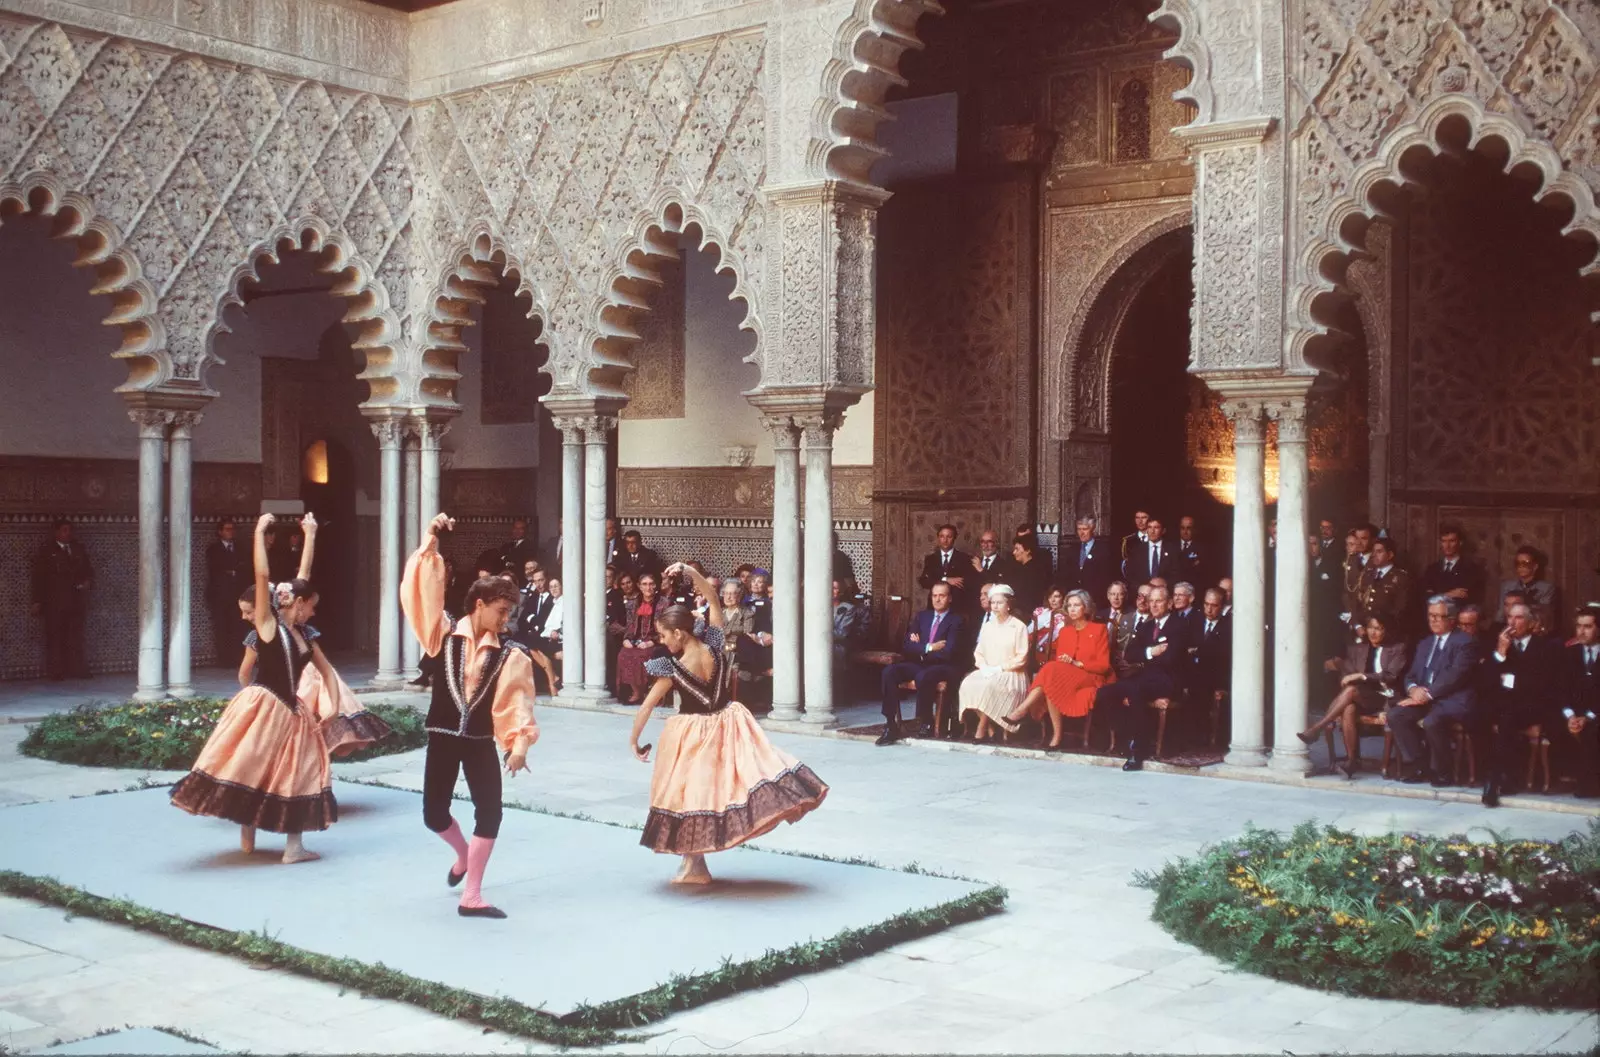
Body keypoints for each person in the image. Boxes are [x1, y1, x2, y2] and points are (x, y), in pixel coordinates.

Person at [630, 564, 828, 884]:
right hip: (727, 723)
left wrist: (633, 741)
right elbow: (714, 600)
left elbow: (647, 705)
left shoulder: (673, 667)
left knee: (691, 794)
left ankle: (695, 865)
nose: (663, 641)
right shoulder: (715, 643)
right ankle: (694, 864)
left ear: (679, 633)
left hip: (693, 732)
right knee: (720, 788)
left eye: (664, 635)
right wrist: (688, 571)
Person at [170, 514, 339, 865]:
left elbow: (303, 576)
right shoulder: (268, 627)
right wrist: (259, 534)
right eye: (308, 604)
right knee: (253, 764)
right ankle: (248, 818)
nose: (312, 609)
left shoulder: (303, 632)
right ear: (294, 604)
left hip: (293, 710)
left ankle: (293, 845)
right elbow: (262, 577)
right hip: (267, 704)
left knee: (301, 771)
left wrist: (310, 534)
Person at [401, 513, 539, 919]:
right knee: (433, 814)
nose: (505, 620)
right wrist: (430, 540)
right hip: (443, 735)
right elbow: (422, 594)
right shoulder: (441, 635)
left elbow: (517, 701)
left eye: (509, 613)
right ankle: (462, 854)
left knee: (490, 811)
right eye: (500, 611)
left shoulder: (509, 654)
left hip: (479, 741)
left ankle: (473, 894)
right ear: (479, 605)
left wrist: (518, 744)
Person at [999, 589, 1112, 749]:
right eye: (1069, 606)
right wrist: (1068, 663)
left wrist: (1078, 664)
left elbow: (1104, 666)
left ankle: (1022, 710)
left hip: (1091, 677)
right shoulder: (1065, 632)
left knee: (1050, 669)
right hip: (1068, 677)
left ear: (1085, 608)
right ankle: (1056, 736)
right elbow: (1060, 662)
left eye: (1077, 605)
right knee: (1051, 680)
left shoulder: (1098, 630)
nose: (1072, 609)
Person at [1297, 615, 1408, 778]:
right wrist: (1343, 667)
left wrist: (1361, 676)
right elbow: (1348, 673)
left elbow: (1390, 676)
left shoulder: (1398, 649)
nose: (1373, 632)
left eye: (1378, 628)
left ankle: (1316, 729)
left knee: (1351, 692)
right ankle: (1351, 761)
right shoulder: (1358, 649)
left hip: (1385, 697)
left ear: (1387, 630)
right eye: (1370, 627)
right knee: (1348, 706)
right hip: (1362, 697)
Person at [1097, 584, 1191, 770]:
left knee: (1135, 690)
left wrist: (1147, 655)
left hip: (1169, 680)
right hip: (1146, 677)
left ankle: (1139, 751)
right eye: (1151, 601)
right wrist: (1151, 651)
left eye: (1159, 601)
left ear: (1170, 603)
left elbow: (1171, 658)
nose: (1154, 605)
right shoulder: (1147, 626)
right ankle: (1127, 738)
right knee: (1105, 692)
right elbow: (1130, 654)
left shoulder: (1179, 625)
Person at [1388, 596, 1480, 786]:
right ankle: (1419, 764)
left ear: (1452, 619)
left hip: (1452, 699)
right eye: (1431, 615)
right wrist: (1413, 689)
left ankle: (1443, 771)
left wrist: (1426, 695)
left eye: (1439, 616)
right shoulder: (1425, 643)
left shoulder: (1465, 642)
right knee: (1397, 715)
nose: (1434, 620)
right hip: (1424, 698)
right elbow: (1411, 674)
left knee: (1432, 721)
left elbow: (1455, 676)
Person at [1481, 601, 1564, 807]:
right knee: (1480, 713)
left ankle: (1495, 779)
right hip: (1506, 704)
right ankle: (1502, 777)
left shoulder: (1545, 646)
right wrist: (1500, 652)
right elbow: (1486, 680)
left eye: (1518, 618)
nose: (1512, 622)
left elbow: (1539, 684)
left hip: (1535, 705)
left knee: (1507, 718)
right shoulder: (1501, 644)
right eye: (1510, 617)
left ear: (1530, 622)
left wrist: (1508, 681)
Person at [878, 582, 966, 745]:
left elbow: (948, 652)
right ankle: (890, 724)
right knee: (890, 671)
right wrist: (929, 647)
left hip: (946, 667)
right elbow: (906, 645)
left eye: (942, 595)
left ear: (950, 598)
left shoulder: (957, 621)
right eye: (934, 595)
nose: (938, 599)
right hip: (922, 662)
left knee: (923, 675)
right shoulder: (922, 617)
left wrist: (920, 649)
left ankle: (926, 720)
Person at [956, 583, 1029, 742]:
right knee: (968, 683)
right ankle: (990, 727)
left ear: (1009, 605)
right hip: (989, 671)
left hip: (1011, 673)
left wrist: (1000, 668)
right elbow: (979, 652)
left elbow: (1021, 658)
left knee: (988, 687)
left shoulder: (1019, 627)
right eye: (993, 603)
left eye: (1000, 603)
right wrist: (984, 667)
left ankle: (982, 727)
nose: (995, 606)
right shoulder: (988, 626)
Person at [30, 518, 93, 680]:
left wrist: (87, 582)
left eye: (69, 530)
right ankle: (56, 672)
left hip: (76, 601)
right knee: (55, 636)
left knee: (75, 636)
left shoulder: (78, 549)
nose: (68, 533)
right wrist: (36, 601)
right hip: (55, 602)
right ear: (56, 532)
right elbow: (38, 577)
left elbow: (88, 570)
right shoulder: (47, 551)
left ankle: (77, 669)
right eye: (64, 530)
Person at [1559, 604, 1600, 798]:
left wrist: (1589, 717)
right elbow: (1562, 689)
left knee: (1592, 731)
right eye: (1579, 626)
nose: (1581, 631)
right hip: (1573, 712)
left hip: (1596, 713)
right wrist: (1571, 715)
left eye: (1588, 626)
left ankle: (1589, 784)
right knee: (1554, 724)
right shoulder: (1569, 654)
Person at [206, 519, 251, 668]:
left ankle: (237, 659)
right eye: (227, 529)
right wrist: (232, 570)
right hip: (220, 596)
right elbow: (217, 569)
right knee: (222, 628)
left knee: (237, 627)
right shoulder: (213, 549)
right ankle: (224, 660)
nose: (230, 532)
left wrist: (233, 570)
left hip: (236, 595)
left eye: (232, 529)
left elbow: (243, 567)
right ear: (220, 532)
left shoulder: (240, 548)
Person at [617, 572, 663, 704]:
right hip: (637, 641)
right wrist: (626, 639)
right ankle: (636, 692)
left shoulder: (663, 603)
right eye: (644, 584)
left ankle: (647, 691)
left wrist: (651, 642)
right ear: (639, 586)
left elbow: (665, 628)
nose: (648, 587)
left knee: (643, 655)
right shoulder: (633, 604)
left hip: (656, 641)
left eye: (651, 584)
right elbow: (630, 625)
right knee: (624, 654)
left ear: (655, 586)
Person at [918, 525, 973, 609]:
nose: (945, 540)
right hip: (934, 606)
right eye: (942, 536)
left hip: (957, 606)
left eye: (949, 537)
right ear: (938, 538)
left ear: (954, 538)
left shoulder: (964, 558)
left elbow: (967, 582)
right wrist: (946, 579)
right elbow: (924, 581)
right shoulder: (931, 559)